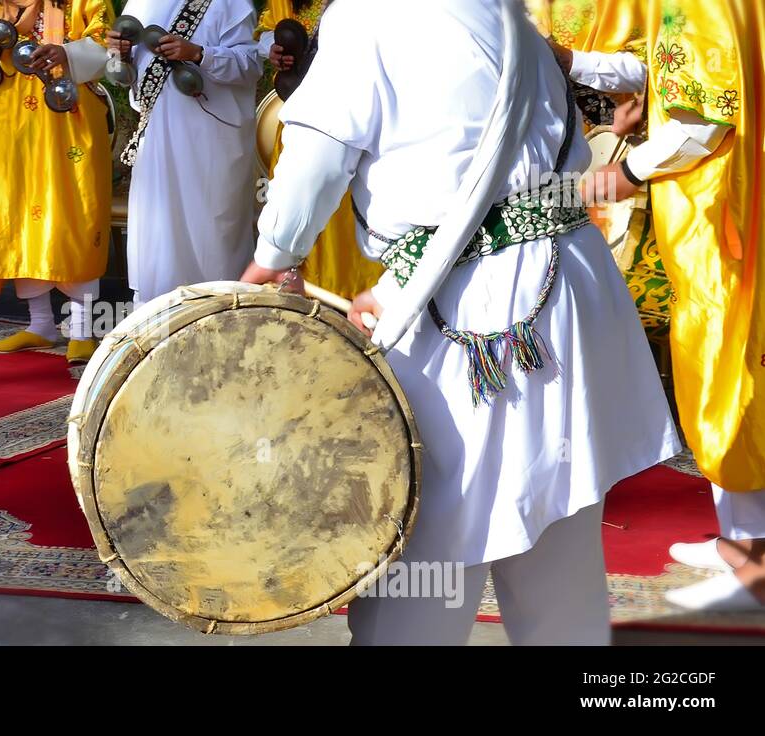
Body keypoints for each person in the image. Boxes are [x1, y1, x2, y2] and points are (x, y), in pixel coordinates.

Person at [241, 0, 680, 644]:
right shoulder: (502, 12)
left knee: (421, 536)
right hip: (565, 284)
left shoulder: (368, 16)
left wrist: (271, 260)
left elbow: (318, 155)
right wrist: (395, 289)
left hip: (480, 311)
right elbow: (505, 184)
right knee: (557, 532)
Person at [567, 0, 765, 612]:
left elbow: (704, 119)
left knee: (727, 370)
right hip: (714, 212)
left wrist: (629, 171)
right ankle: (740, 537)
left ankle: (754, 565)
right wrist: (573, 60)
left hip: (716, 219)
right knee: (723, 363)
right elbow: (670, 66)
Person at [0, 0, 113, 365]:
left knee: (72, 211)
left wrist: (65, 51)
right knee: (18, 210)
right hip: (11, 114)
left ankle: (81, 328)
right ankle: (41, 323)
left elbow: (106, 47)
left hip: (68, 111)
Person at [112, 0, 262, 306]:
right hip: (157, 139)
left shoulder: (229, 3)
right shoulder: (141, 3)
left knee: (210, 237)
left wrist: (198, 54)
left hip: (210, 143)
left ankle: (218, 321)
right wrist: (120, 54)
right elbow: (126, 77)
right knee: (158, 234)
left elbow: (251, 65)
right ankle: (157, 324)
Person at [256, 0, 382, 300]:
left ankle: (354, 302)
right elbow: (267, 31)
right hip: (301, 129)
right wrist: (275, 51)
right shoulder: (288, 4)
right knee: (298, 206)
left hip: (357, 126)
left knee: (346, 216)